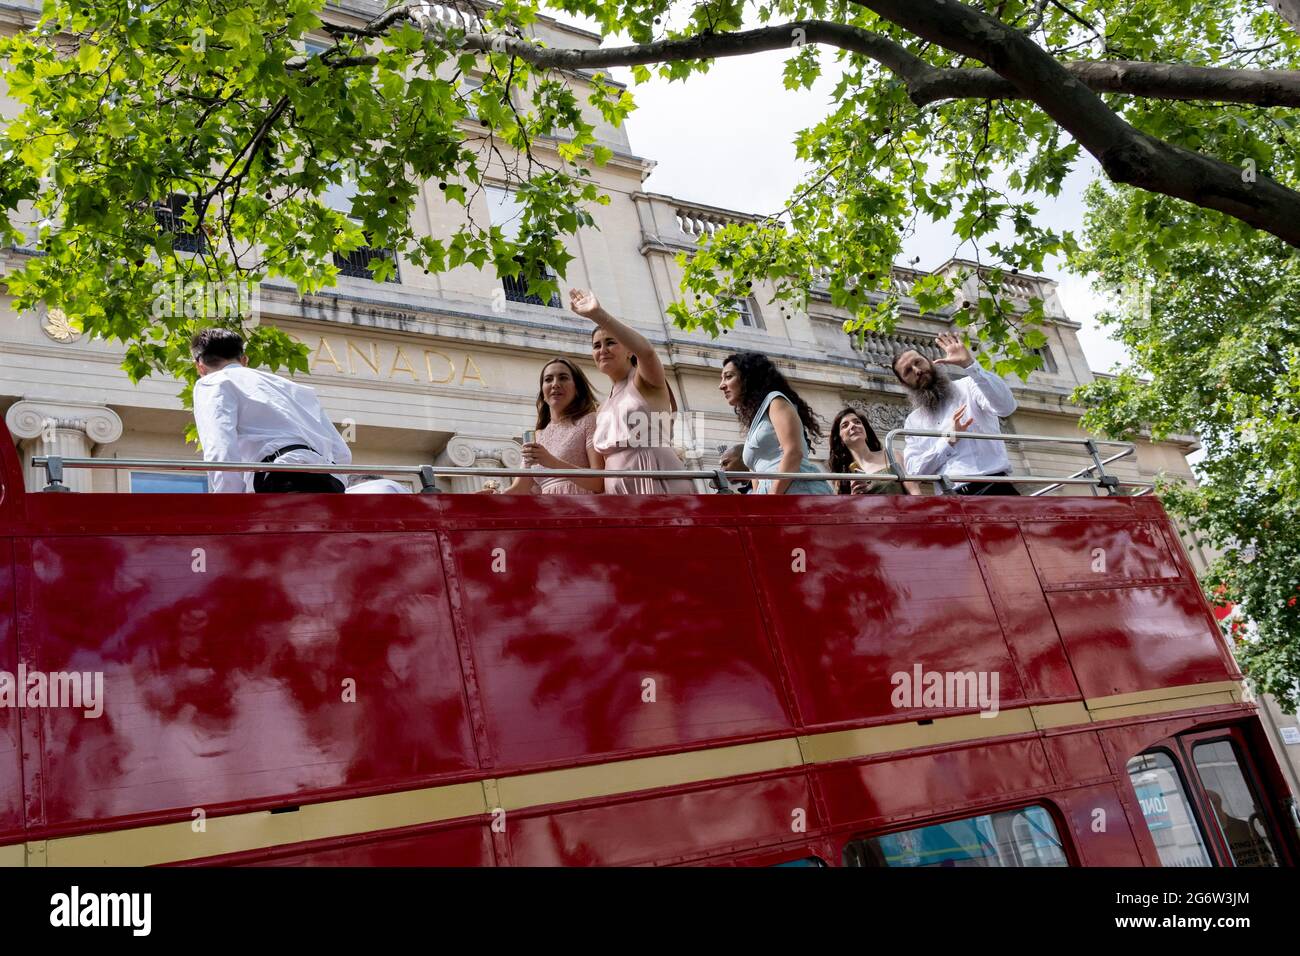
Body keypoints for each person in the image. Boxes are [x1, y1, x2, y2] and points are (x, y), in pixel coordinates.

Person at [191, 328, 351, 493]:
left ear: (200, 367)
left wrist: (228, 502)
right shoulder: (293, 387)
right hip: (329, 480)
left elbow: (220, 447)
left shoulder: (213, 382)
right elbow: (342, 453)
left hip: (281, 478)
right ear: (244, 360)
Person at [574, 288, 695, 494]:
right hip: (617, 490)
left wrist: (597, 314)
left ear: (629, 350)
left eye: (610, 342)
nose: (602, 350)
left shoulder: (645, 379)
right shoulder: (603, 406)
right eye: (596, 346)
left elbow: (647, 352)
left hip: (655, 474)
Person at [892, 333, 1019, 495]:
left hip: (993, 487)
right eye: (908, 371)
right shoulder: (913, 421)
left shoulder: (969, 386)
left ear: (930, 361)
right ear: (904, 383)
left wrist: (970, 364)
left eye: (918, 362)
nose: (917, 370)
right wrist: (948, 440)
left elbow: (1006, 407)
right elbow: (914, 472)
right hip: (950, 498)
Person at [486, 357, 604, 495]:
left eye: (563, 378)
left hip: (581, 509)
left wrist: (552, 463)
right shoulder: (538, 436)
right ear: (543, 393)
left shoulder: (588, 421)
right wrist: (493, 497)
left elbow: (599, 482)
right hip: (548, 511)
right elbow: (520, 489)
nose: (555, 384)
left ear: (577, 388)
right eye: (548, 379)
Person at [719, 351, 832, 495]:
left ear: (748, 377)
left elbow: (793, 452)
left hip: (797, 492)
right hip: (773, 496)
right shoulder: (755, 420)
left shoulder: (776, 401)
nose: (721, 385)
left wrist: (772, 497)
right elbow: (756, 474)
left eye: (728, 377)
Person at [827, 407, 917, 496]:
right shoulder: (842, 478)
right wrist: (854, 497)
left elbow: (914, 492)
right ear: (840, 439)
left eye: (857, 422)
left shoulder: (890, 455)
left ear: (865, 431)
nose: (852, 425)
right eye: (845, 425)